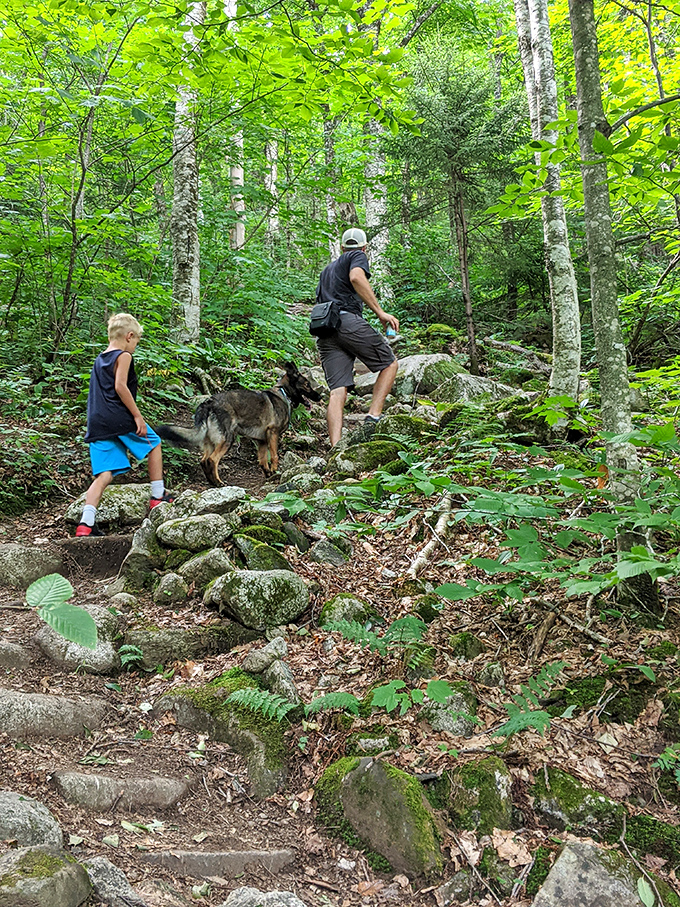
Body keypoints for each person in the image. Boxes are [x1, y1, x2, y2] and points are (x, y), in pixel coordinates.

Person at [75, 313, 174, 537]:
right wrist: (137, 416)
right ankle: (157, 496)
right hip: (119, 417)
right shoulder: (124, 356)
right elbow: (121, 387)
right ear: (129, 336)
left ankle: (85, 523)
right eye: (137, 340)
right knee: (155, 443)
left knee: (104, 474)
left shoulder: (100, 358)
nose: (136, 345)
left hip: (97, 422)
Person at [316, 227, 400, 446]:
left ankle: (335, 447)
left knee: (337, 390)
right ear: (364, 247)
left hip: (325, 331)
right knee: (389, 364)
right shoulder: (357, 256)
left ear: (341, 247)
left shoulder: (327, 270)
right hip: (346, 322)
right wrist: (380, 312)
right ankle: (373, 418)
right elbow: (356, 277)